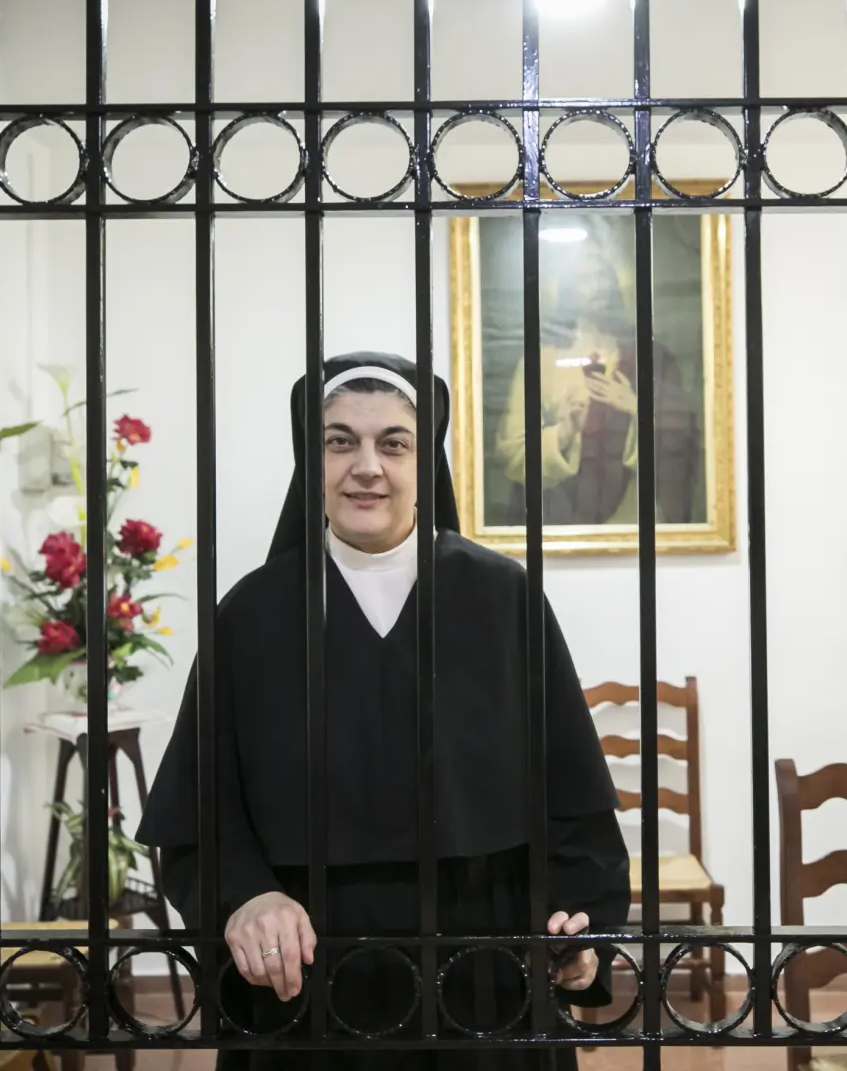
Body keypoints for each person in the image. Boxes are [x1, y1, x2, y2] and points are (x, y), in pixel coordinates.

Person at [137, 352, 630, 1069]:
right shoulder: (253, 613)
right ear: (314, 459)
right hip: (303, 978)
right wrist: (244, 899)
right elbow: (202, 813)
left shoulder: (504, 600)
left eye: (392, 443)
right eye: (340, 441)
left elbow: (574, 805)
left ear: (423, 459)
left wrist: (580, 930)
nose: (366, 466)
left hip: (482, 968)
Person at [493, 228, 698, 527]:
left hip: (632, 516)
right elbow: (512, 453)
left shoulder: (650, 358)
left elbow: (683, 443)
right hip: (558, 516)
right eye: (584, 278)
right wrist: (562, 432)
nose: (598, 287)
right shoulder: (542, 361)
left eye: (603, 276)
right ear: (565, 288)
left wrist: (637, 409)